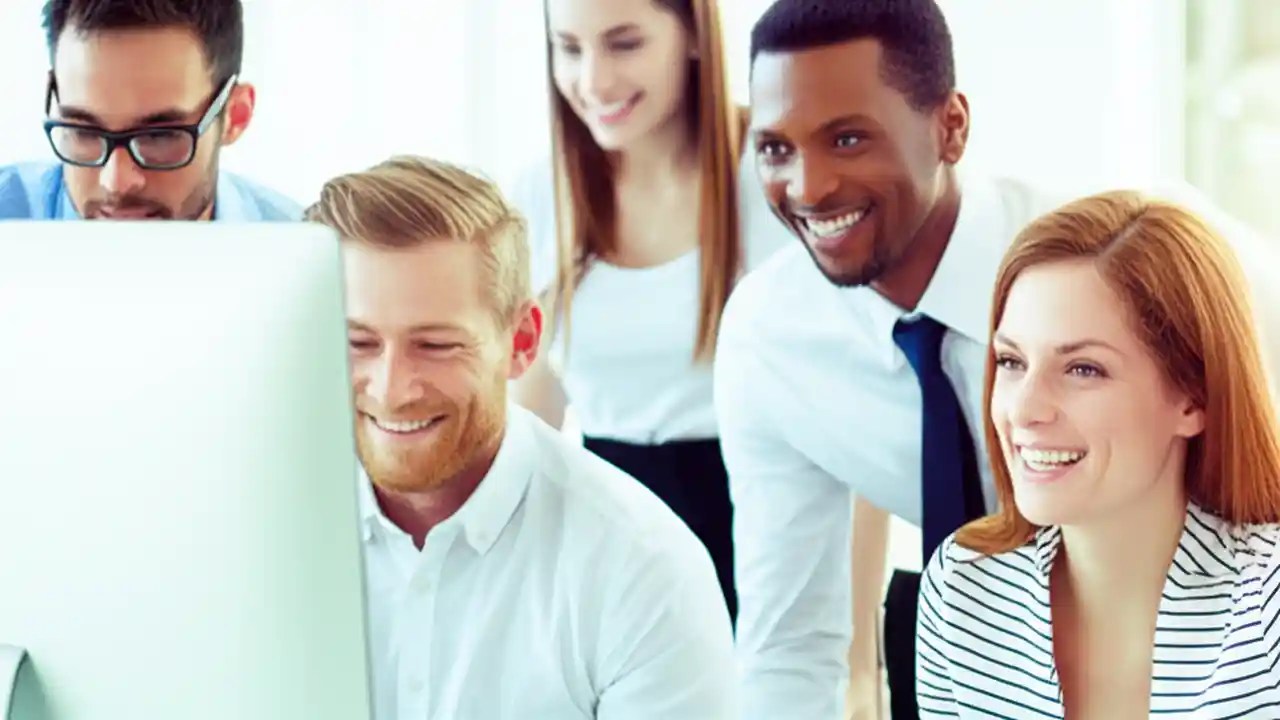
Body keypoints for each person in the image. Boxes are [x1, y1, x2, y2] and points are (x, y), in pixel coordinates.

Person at [713, 1, 1066, 717]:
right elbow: (789, 645)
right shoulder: (769, 336)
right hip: (952, 674)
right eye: (776, 148)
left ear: (951, 127)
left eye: (846, 139)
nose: (806, 189)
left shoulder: (1092, 278)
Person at [304, 155, 737, 720]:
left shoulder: (642, 570)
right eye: (357, 343)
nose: (391, 390)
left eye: (435, 345)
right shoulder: (253, 534)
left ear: (523, 341)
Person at [916, 190, 1280, 719]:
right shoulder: (966, 589)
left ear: (1194, 399)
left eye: (1083, 369)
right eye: (1012, 361)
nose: (1025, 409)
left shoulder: (1268, 608)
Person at [508, 0, 785, 624]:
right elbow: (530, 425)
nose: (594, 82)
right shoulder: (542, 191)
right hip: (610, 548)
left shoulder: (772, 175)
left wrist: (852, 670)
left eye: (625, 43)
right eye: (570, 49)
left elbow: (837, 419)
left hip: (760, 543)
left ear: (692, 35)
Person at [0, 0, 299, 221]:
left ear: (235, 115)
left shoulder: (315, 264)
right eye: (83, 132)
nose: (115, 182)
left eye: (160, 136)